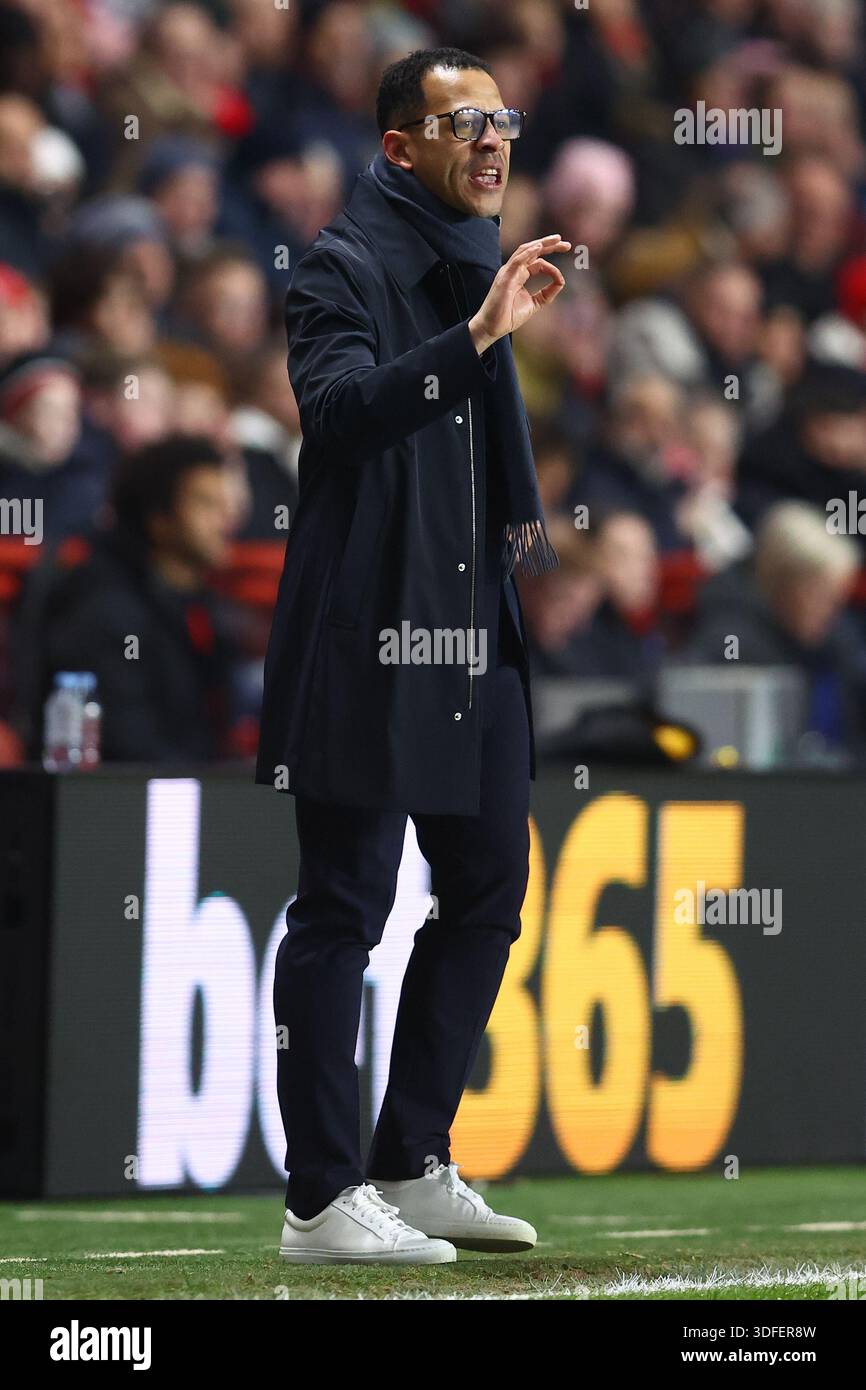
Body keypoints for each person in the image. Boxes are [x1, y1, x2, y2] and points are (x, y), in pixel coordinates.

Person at [256, 47, 570, 1265]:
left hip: (469, 623)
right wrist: (475, 339)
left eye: (502, 120)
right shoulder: (345, 264)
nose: (492, 142)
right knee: (343, 907)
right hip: (368, 629)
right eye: (464, 124)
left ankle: (410, 1156)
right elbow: (333, 417)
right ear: (400, 148)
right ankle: (320, 1199)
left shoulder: (469, 261)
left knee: (487, 888)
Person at [29, 434, 240, 761]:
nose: (225, 521)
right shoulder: (105, 609)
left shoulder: (200, 606)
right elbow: (128, 749)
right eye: (206, 504)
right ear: (159, 518)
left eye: (225, 504)